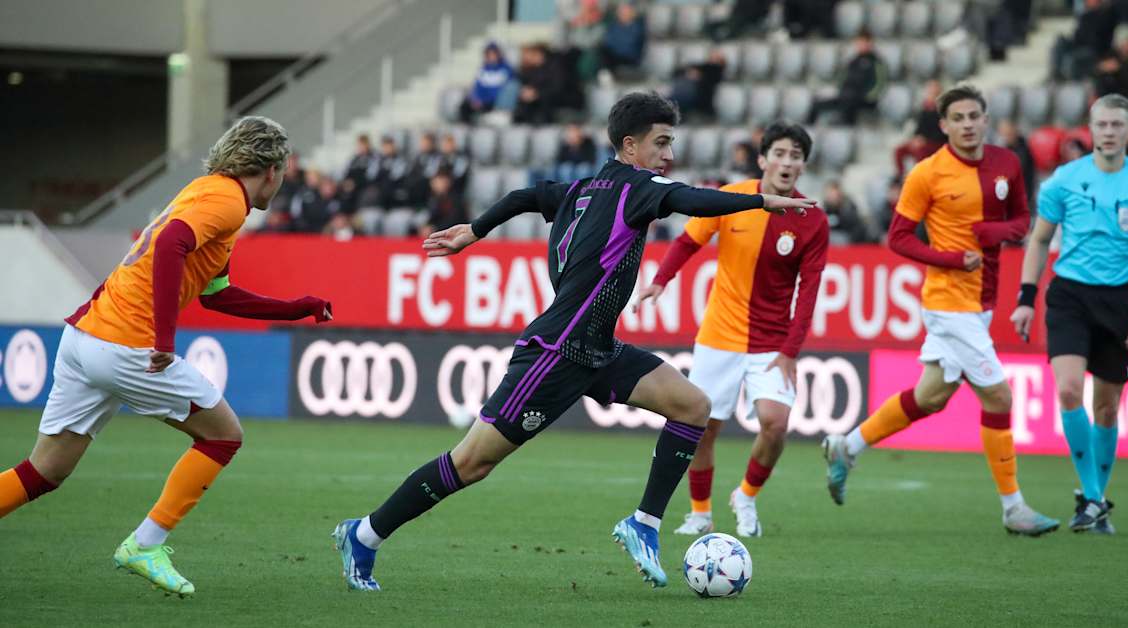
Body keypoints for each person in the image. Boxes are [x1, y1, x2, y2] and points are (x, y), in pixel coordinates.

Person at [330, 92, 815, 592]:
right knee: (471, 463)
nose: (669, 155)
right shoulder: (638, 186)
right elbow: (690, 198)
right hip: (555, 352)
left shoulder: (583, 187)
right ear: (631, 145)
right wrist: (762, 200)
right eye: (662, 143)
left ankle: (643, 525)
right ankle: (364, 534)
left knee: (693, 405)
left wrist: (474, 231)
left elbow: (523, 197)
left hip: (598, 347)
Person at [0, 117, 333, 596]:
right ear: (271, 168)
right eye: (284, 171)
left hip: (85, 338)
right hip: (125, 344)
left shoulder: (209, 192)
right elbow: (172, 243)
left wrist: (294, 308)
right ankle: (145, 543)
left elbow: (217, 294)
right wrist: (164, 338)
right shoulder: (226, 202)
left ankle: (144, 543)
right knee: (223, 436)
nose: (282, 182)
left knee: (43, 472)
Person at [821, 83, 1059, 536]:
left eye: (975, 116)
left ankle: (846, 446)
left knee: (931, 396)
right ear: (944, 125)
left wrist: (995, 232)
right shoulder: (927, 173)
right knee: (1000, 398)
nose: (968, 124)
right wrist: (951, 258)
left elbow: (1023, 222)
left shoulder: (1007, 163)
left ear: (986, 119)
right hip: (948, 302)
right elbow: (898, 237)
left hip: (982, 301)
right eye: (959, 118)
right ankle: (1014, 507)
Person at [634, 122, 829, 538]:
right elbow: (688, 241)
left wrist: (791, 350)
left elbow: (809, 292)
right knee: (702, 427)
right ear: (762, 160)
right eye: (779, 153)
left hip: (772, 342)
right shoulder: (733, 198)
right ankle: (700, 512)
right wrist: (661, 280)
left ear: (803, 166)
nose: (787, 162)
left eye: (795, 156)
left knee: (775, 424)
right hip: (719, 335)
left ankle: (746, 495)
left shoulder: (812, 221)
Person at [1010, 94, 1128, 534]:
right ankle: (1095, 498)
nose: (1108, 132)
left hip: (1120, 302)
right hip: (1069, 297)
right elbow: (1040, 240)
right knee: (1067, 391)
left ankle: (1093, 500)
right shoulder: (1064, 180)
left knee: (1106, 407)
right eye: (1101, 124)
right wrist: (1027, 297)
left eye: (1117, 125)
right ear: (1090, 127)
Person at [809, 31, 888, 125]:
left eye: (863, 42)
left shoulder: (876, 62)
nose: (860, 45)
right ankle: (809, 126)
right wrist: (841, 90)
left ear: (870, 43)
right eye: (858, 43)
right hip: (846, 96)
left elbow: (880, 83)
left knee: (849, 102)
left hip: (865, 99)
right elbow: (842, 78)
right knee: (817, 103)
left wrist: (868, 96)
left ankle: (845, 128)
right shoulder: (853, 61)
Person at [460, 43, 514, 124]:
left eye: (493, 54)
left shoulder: (506, 69)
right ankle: (466, 126)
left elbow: (505, 89)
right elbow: (477, 87)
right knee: (465, 105)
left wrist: (484, 100)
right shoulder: (483, 70)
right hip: (480, 100)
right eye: (489, 54)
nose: (491, 57)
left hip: (494, 101)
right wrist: (476, 99)